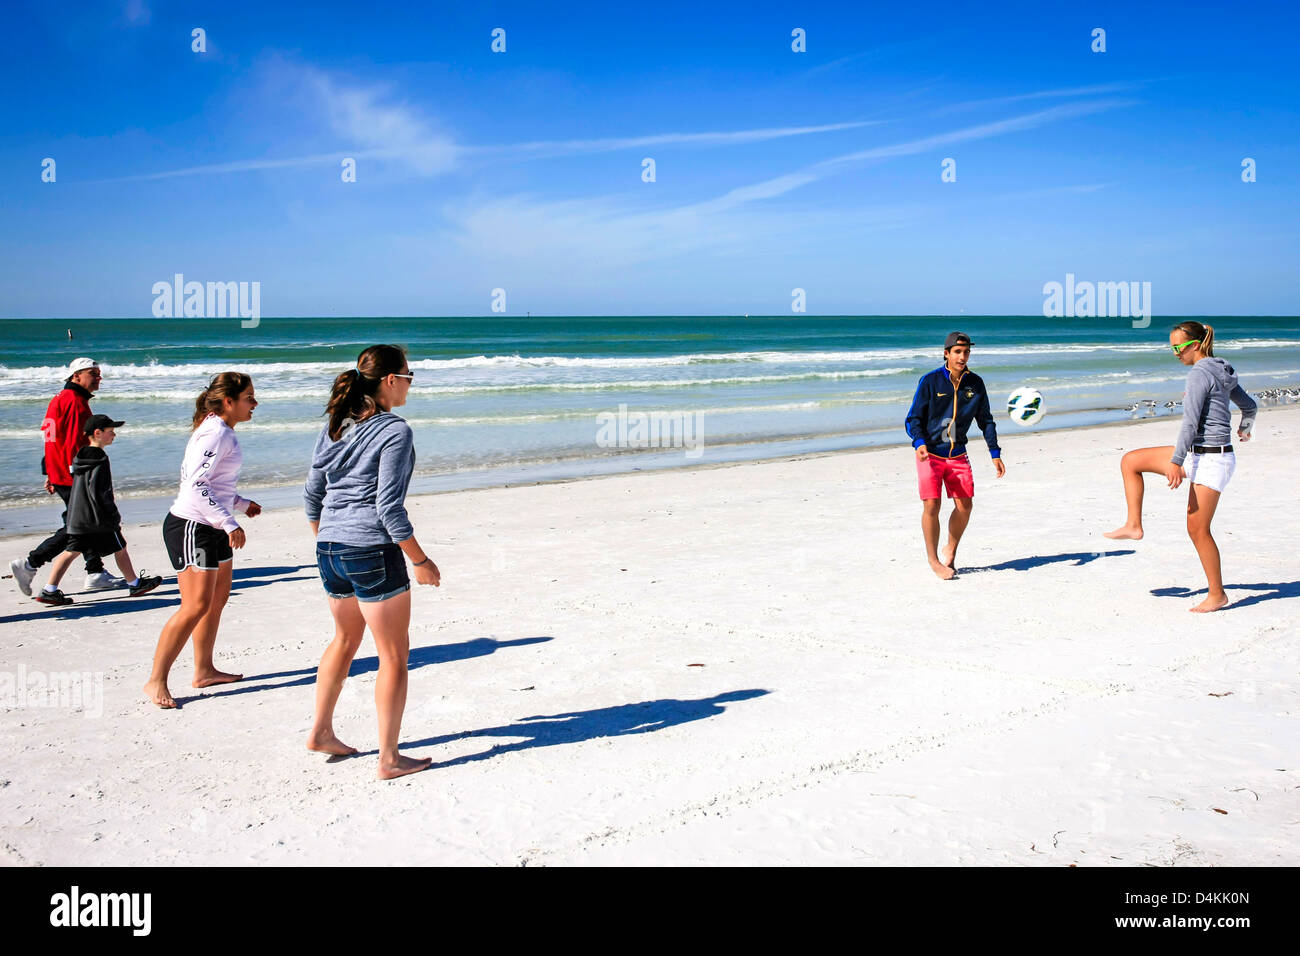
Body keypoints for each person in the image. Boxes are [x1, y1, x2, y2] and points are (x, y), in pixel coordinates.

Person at [303, 345, 440, 780]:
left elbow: (311, 495)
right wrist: (420, 560)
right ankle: (389, 758)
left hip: (329, 550)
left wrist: (330, 538)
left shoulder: (335, 427)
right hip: (371, 551)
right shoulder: (395, 431)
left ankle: (321, 731)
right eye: (408, 375)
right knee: (394, 655)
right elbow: (389, 509)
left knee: (344, 639)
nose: (410, 383)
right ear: (389, 380)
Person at [1104, 322, 1257, 613]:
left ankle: (1217, 594)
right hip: (1202, 454)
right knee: (1131, 461)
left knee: (1198, 530)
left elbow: (1190, 422)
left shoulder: (1199, 373)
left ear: (1195, 345)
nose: (1174, 353)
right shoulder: (1222, 369)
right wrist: (1245, 429)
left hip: (1212, 459)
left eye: (1178, 347)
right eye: (1171, 347)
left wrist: (1176, 462)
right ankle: (1134, 525)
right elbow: (1249, 406)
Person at [143, 373, 262, 708]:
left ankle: (204, 669)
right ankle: (156, 681)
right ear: (229, 402)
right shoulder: (215, 433)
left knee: (217, 599)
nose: (255, 404)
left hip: (211, 524)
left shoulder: (220, 430)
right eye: (249, 398)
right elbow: (196, 486)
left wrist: (241, 503)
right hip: (192, 526)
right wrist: (229, 522)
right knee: (195, 605)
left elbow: (216, 484)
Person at [10, 358, 122, 596]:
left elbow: (51, 439)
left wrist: (50, 471)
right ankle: (30, 564)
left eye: (100, 373)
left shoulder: (61, 399)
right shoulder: (74, 402)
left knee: (85, 524)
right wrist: (84, 474)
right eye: (93, 373)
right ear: (76, 376)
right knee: (78, 526)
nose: (99, 378)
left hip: (60, 470)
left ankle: (95, 572)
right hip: (72, 474)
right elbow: (72, 443)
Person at [904, 331, 1006, 580]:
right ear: (946, 353)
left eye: (966, 351)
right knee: (932, 504)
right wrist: (918, 442)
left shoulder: (976, 384)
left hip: (958, 453)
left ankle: (950, 548)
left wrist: (994, 451)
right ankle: (933, 560)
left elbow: (986, 420)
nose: (962, 356)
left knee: (965, 505)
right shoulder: (930, 381)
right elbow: (913, 418)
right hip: (930, 454)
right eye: (957, 352)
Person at [34, 415, 163, 606]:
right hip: (98, 516)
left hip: (78, 515)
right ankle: (134, 584)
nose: (114, 434)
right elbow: (99, 490)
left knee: (72, 550)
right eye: (111, 431)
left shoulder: (80, 455)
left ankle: (49, 590)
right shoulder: (100, 458)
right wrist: (111, 513)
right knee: (120, 546)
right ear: (98, 433)